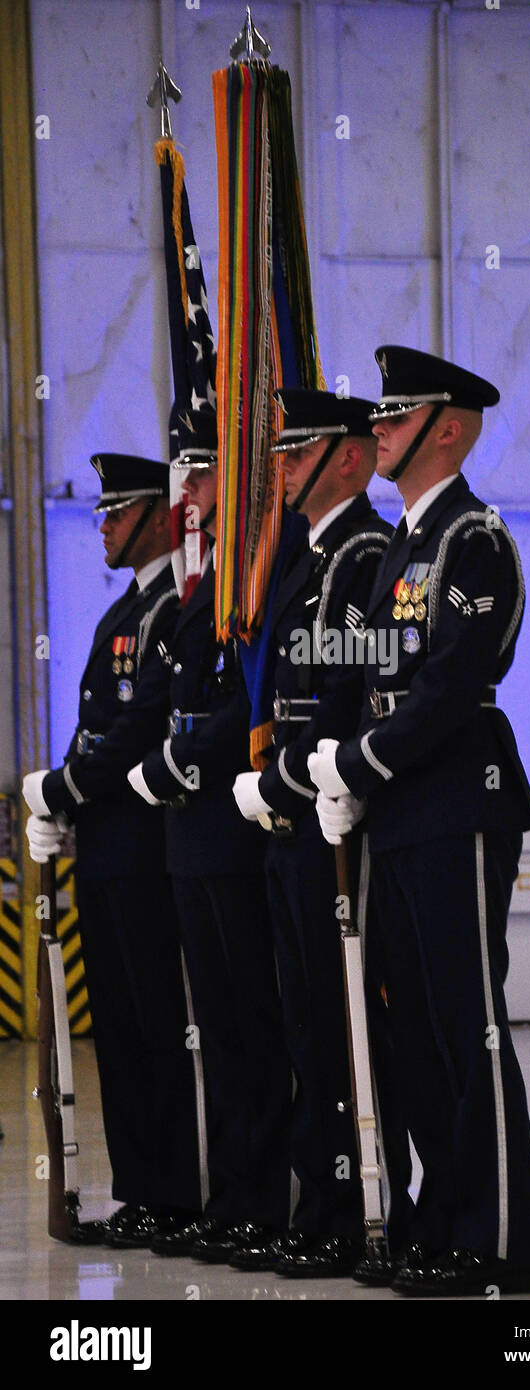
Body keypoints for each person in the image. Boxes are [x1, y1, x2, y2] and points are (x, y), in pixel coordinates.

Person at [308, 345, 530, 1297]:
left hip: (458, 799)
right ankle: (441, 1224)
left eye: (394, 415)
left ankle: (499, 1242)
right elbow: (361, 669)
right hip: (398, 808)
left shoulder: (471, 540)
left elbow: (448, 680)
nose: (376, 430)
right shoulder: (400, 545)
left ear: (444, 427)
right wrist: (319, 763)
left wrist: (358, 760)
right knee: (409, 1031)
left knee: (465, 1027)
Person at [233, 388, 412, 1279]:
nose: (279, 468)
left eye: (296, 452)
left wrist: (288, 773)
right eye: (278, 453)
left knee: (345, 1026)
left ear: (347, 456)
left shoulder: (365, 551)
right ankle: (321, 1201)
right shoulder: (307, 557)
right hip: (291, 813)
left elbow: (344, 690)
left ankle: (356, 1205)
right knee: (306, 1021)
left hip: (333, 814)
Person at [124, 410, 293, 1261]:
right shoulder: (209, 582)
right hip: (190, 829)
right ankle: (230, 1195)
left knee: (251, 1022)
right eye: (186, 474)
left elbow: (250, 698)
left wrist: (186, 758)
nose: (186, 491)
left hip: (229, 822)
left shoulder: (257, 572)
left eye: (201, 471)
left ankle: (268, 1199)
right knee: (219, 1029)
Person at [22, 453, 202, 1246]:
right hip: (106, 849)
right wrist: (64, 796)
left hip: (145, 847)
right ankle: (143, 1190)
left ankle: (174, 1190)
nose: (102, 524)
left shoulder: (175, 605)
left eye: (117, 510)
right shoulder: (123, 612)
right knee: (120, 1036)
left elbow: (138, 729)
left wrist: (62, 790)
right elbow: (95, 724)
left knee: (157, 1028)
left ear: (159, 515)